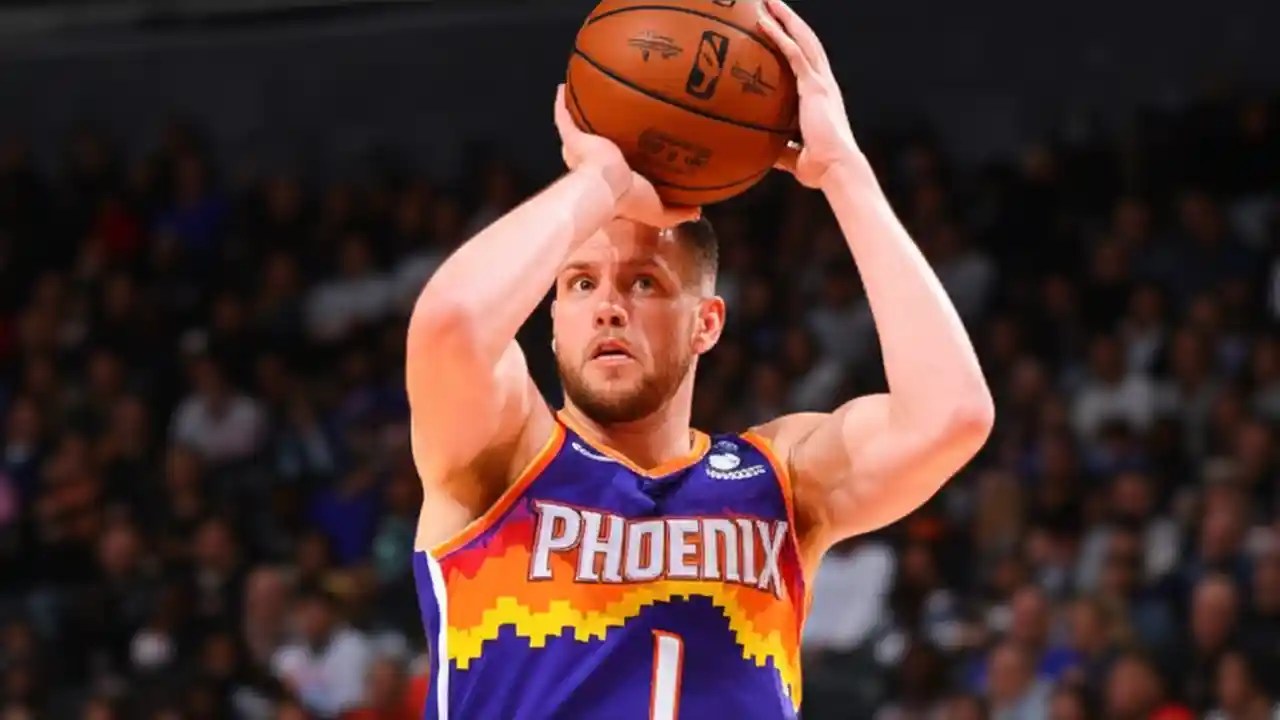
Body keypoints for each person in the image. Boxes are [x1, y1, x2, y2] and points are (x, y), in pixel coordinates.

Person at [404, 1, 993, 718]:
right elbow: (451, 324)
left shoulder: (779, 480)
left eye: (643, 282)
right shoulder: (501, 457)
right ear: (551, 322)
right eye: (581, 283)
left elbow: (953, 415)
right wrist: (599, 184)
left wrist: (843, 170)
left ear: (706, 324)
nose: (608, 305)